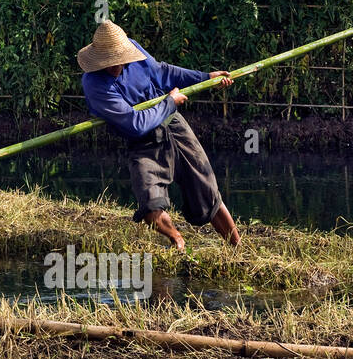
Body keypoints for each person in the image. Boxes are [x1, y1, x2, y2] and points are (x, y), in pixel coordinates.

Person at [78, 20, 241, 251]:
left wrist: (205, 78)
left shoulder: (133, 49)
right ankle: (177, 240)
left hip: (172, 123)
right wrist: (169, 102)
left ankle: (238, 248)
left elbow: (162, 73)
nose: (116, 67)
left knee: (206, 187)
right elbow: (135, 124)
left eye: (120, 61)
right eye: (110, 63)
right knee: (150, 202)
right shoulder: (94, 85)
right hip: (142, 139)